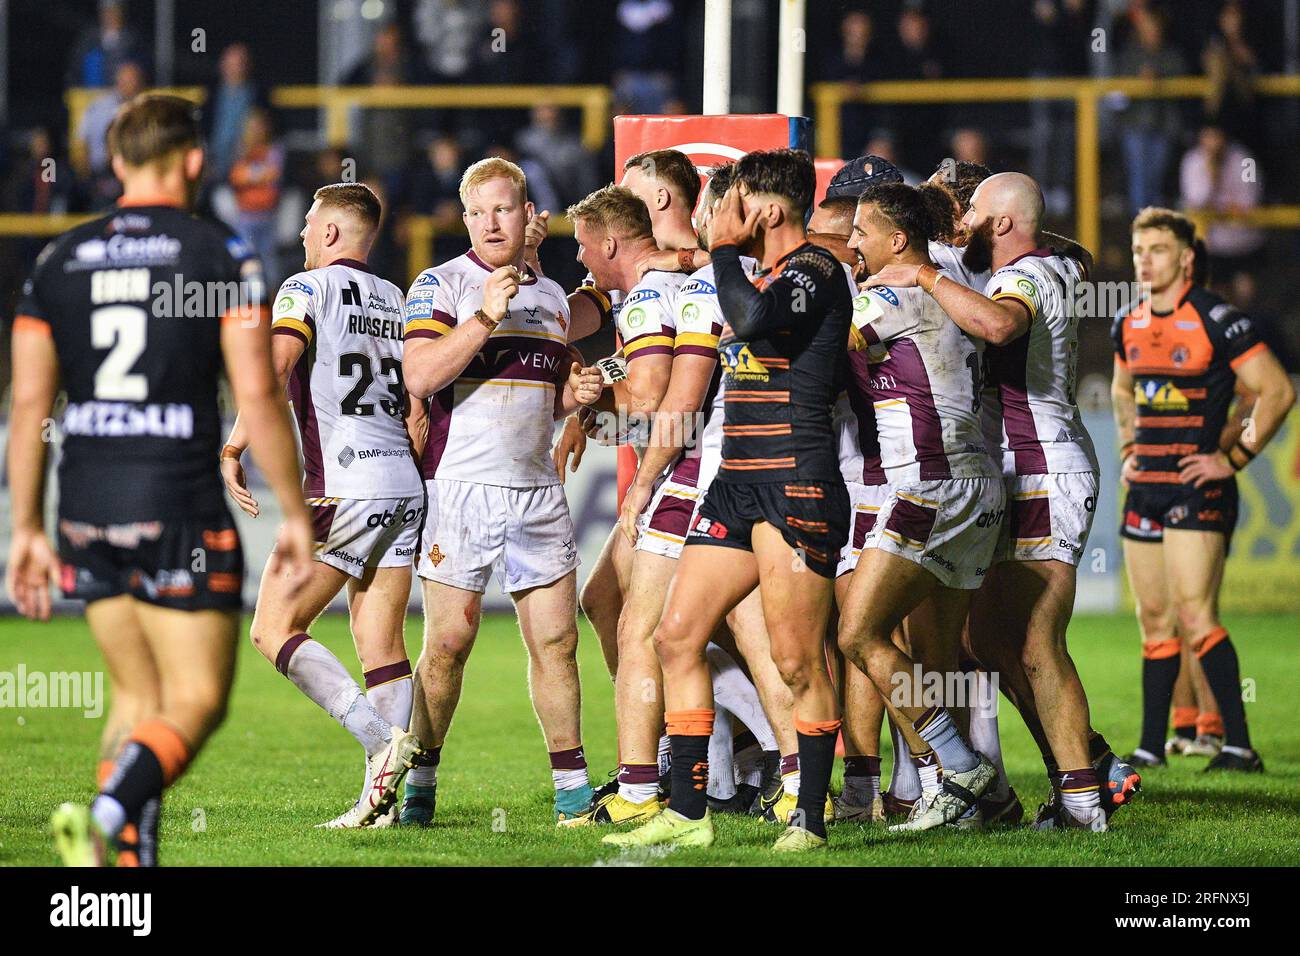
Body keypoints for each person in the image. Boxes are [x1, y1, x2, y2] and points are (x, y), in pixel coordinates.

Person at [7, 93, 313, 866]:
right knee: (197, 702)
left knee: (138, 704)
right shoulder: (219, 255)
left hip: (86, 505)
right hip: (176, 500)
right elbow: (256, 394)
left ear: (114, 162)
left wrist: (28, 529)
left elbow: (30, 406)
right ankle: (108, 819)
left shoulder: (57, 258)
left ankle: (121, 889)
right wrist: (298, 514)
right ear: (194, 160)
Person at [608, 148, 853, 852]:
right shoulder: (765, 272)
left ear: (768, 211)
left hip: (795, 483)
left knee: (798, 659)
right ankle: (688, 813)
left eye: (731, 203)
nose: (718, 217)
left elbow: (750, 319)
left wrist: (715, 253)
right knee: (674, 636)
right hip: (736, 484)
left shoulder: (814, 271)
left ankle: (808, 814)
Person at [399, 157, 603, 824]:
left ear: (527, 217)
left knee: (556, 644)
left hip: (537, 493)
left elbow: (542, 397)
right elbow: (422, 375)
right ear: (465, 220)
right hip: (462, 491)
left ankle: (573, 795)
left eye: (504, 209)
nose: (492, 222)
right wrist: (482, 319)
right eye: (478, 211)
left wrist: (572, 397)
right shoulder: (442, 282)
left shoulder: (548, 298)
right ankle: (419, 784)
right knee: (448, 647)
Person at [220, 182, 427, 828]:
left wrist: (233, 446)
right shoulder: (397, 298)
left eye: (311, 225)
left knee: (271, 627)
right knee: (380, 642)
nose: (304, 235)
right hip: (402, 482)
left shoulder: (304, 289)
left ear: (333, 233)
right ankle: (382, 806)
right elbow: (417, 399)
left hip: (347, 485)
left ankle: (380, 743)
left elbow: (276, 368)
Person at [842, 182, 1002, 834]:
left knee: (857, 634)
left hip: (927, 487)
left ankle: (960, 763)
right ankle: (953, 801)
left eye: (860, 231)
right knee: (937, 653)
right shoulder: (943, 283)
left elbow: (823, 351)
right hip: (978, 485)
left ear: (896, 240)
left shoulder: (885, 293)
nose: (852, 242)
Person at [1112, 207, 1294, 772]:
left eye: (1158, 250)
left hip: (1197, 490)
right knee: (1154, 619)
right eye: (1140, 250)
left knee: (1196, 616)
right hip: (1146, 489)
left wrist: (1232, 457)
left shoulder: (1218, 317)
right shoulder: (1128, 321)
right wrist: (1127, 450)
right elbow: (1122, 391)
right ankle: (1151, 745)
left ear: (1186, 258)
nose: (1145, 260)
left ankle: (1237, 745)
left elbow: (1276, 391)